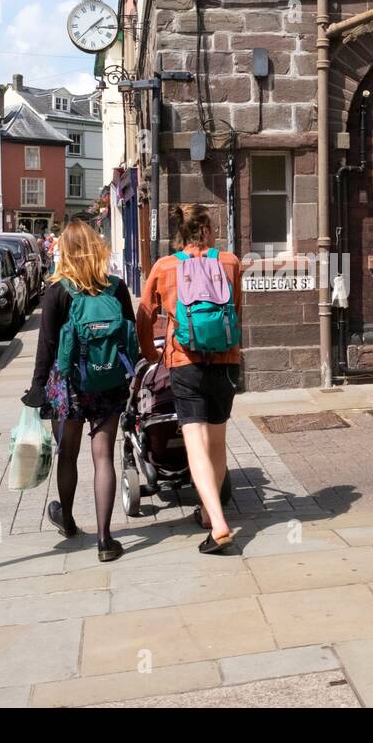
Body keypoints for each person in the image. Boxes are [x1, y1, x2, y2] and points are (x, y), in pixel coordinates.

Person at [23, 220, 136, 562]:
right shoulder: (116, 288)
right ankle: (105, 540)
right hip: (108, 383)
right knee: (103, 457)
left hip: (67, 386)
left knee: (68, 455)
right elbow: (130, 338)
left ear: (64, 253)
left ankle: (68, 521)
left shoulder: (57, 291)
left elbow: (45, 345)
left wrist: (38, 387)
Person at [136, 203, 242, 555]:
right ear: (208, 230)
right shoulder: (229, 262)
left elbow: (144, 313)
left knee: (194, 444)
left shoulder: (165, 267)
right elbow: (237, 311)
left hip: (184, 362)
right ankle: (209, 512)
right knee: (217, 443)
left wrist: (151, 354)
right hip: (225, 361)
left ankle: (218, 521)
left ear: (179, 233)